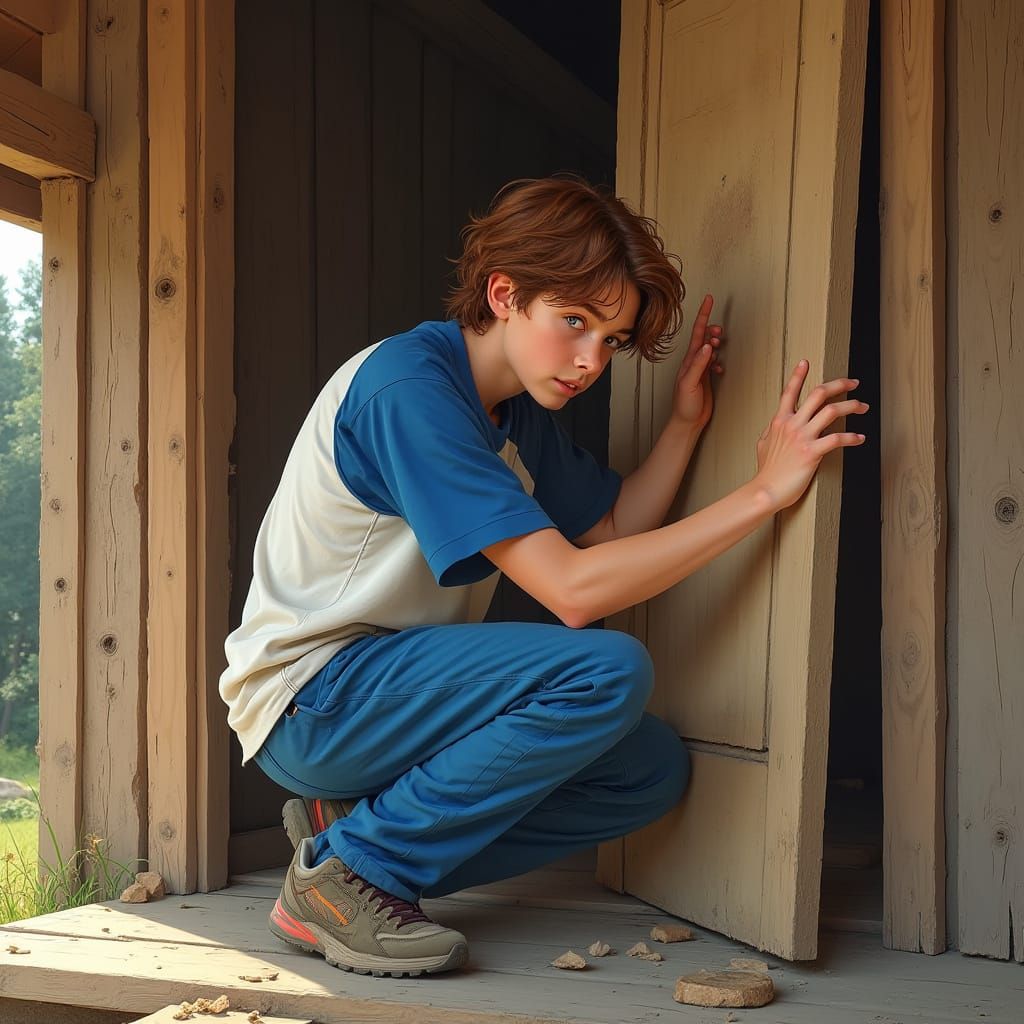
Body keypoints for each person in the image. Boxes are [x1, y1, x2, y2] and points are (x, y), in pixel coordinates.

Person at [219, 176, 868, 979]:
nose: (591, 360)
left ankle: (352, 827)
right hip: (313, 696)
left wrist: (686, 424)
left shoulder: (514, 410)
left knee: (647, 770)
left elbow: (614, 527)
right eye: (574, 322)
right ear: (504, 294)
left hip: (385, 700)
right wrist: (765, 493)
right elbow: (574, 589)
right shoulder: (410, 391)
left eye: (611, 339)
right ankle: (353, 875)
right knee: (608, 670)